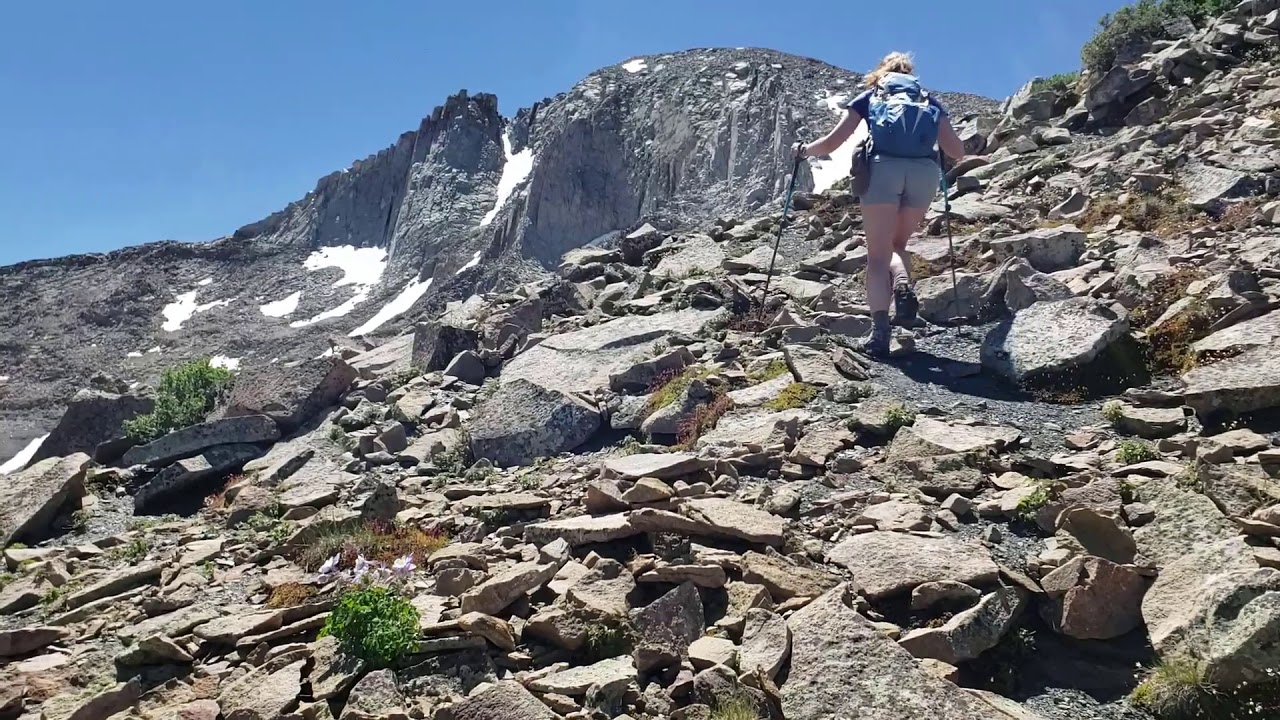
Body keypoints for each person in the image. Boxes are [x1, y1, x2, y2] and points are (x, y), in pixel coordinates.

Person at [795, 51, 966, 357]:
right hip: (924, 173)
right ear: (910, 74)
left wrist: (804, 151)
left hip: (883, 171)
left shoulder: (871, 96)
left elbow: (833, 143)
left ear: (881, 73)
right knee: (898, 244)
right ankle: (902, 282)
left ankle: (879, 335)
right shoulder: (928, 101)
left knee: (877, 256)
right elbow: (957, 150)